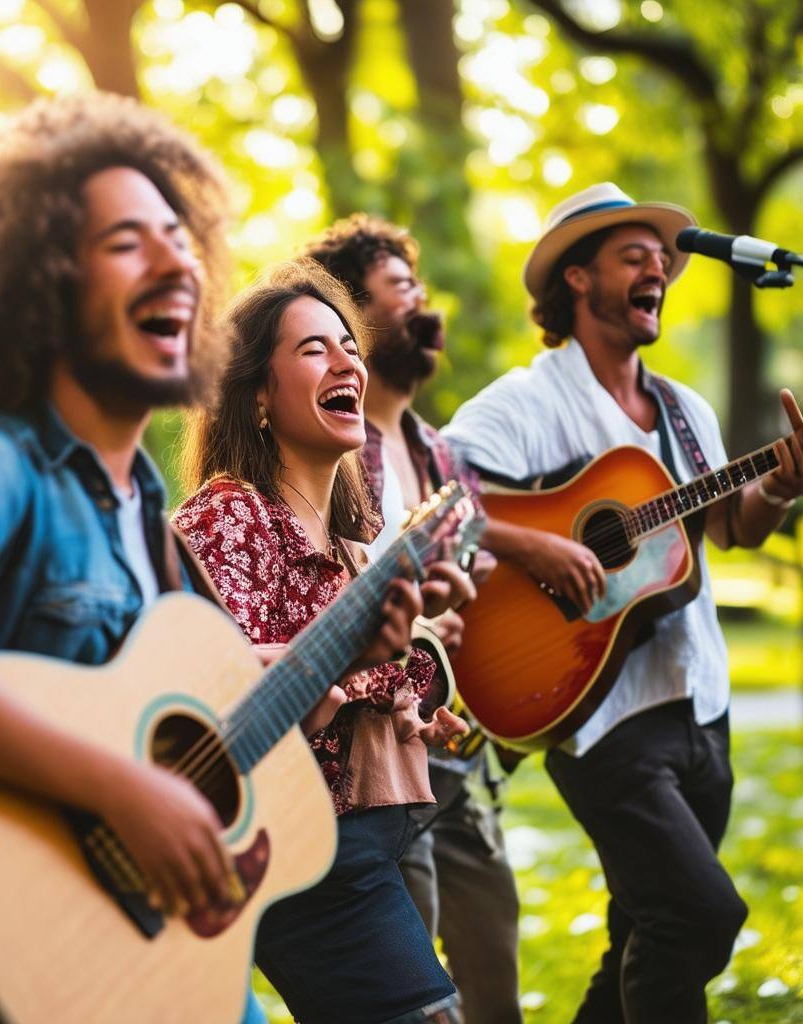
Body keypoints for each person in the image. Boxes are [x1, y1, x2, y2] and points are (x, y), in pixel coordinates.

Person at [0, 93, 286, 1022]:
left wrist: (348, 648)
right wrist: (120, 791)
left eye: (179, 237)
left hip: (147, 953)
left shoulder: (146, 503)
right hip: (19, 957)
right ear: (42, 284)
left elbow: (151, 717)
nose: (176, 263)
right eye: (126, 243)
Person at [442, 182, 803, 1024]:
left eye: (662, 261)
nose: (659, 272)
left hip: (700, 703)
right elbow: (434, 489)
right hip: (599, 712)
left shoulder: (685, 410)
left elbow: (731, 528)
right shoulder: (528, 401)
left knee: (642, 932)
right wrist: (535, 544)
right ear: (578, 278)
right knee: (698, 917)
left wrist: (782, 488)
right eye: (634, 257)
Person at [174, 261, 475, 1024]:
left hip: (367, 842)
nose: (347, 363)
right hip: (298, 848)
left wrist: (413, 706)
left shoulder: (351, 543)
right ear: (257, 394)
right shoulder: (229, 516)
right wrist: (367, 668)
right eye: (314, 349)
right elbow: (232, 698)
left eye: (350, 346)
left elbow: (353, 682)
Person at [303, 214, 523, 1024]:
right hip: (385, 744)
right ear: (354, 315)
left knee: (493, 942)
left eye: (420, 286)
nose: (423, 304)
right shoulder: (330, 448)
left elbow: (475, 560)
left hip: (457, 739)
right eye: (401, 289)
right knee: (412, 974)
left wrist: (467, 591)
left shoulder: (441, 451)